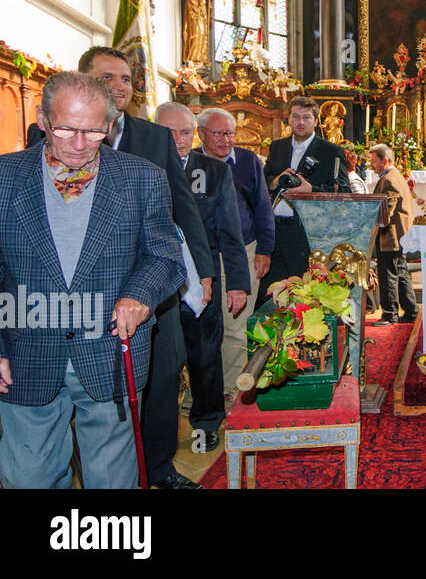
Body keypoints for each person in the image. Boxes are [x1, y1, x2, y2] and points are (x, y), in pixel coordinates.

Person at [0, 73, 184, 488]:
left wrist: (139, 294)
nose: (80, 144)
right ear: (43, 119)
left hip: (110, 353)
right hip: (23, 353)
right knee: (28, 477)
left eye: (94, 131)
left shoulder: (143, 178)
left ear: (112, 124)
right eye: (66, 129)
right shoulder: (4, 178)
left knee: (112, 480)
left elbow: (165, 256)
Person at [52, 47, 213, 489]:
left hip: (151, 285)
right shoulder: (52, 135)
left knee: (162, 377)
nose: (120, 86)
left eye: (126, 78)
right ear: (81, 80)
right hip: (80, 294)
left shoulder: (154, 137)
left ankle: (158, 468)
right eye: (109, 77)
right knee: (88, 391)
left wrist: (202, 269)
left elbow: (183, 208)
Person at [155, 103, 248, 456]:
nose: (179, 140)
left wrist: (238, 282)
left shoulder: (213, 171)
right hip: (156, 278)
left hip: (204, 276)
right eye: (170, 132)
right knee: (163, 359)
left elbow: (230, 231)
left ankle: (206, 423)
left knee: (205, 353)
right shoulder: (139, 166)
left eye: (185, 132)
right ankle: (158, 432)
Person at [196, 107, 274, 396]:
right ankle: (200, 391)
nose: (225, 140)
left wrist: (264, 249)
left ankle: (229, 391)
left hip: (243, 250)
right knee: (202, 326)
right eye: (218, 133)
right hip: (202, 256)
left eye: (230, 133)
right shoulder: (190, 163)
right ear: (201, 133)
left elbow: (263, 207)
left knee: (236, 325)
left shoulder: (247, 160)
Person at [260, 97, 349, 309]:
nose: (301, 122)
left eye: (306, 117)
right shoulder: (277, 147)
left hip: (306, 232)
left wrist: (312, 190)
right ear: (288, 119)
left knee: (303, 295)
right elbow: (262, 181)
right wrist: (273, 181)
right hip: (275, 229)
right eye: (296, 116)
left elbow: (344, 192)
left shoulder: (331, 151)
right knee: (270, 292)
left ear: (316, 121)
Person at [370, 144, 419, 324]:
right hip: (396, 235)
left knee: (388, 273)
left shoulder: (389, 179)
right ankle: (411, 311)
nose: (371, 165)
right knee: (400, 271)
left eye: (374, 161)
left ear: (385, 160)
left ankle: (390, 314)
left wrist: (374, 226)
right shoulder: (393, 175)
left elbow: (387, 209)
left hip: (390, 235)